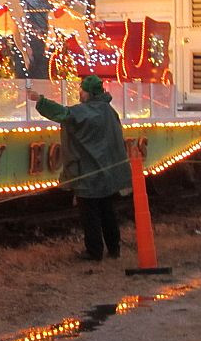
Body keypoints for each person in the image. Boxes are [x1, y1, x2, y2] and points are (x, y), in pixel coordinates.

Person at [27, 75, 131, 261]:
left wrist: (40, 100)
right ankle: (114, 249)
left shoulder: (86, 112)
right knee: (108, 212)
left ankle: (94, 251)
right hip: (107, 174)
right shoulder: (109, 111)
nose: (79, 93)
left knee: (90, 215)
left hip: (89, 174)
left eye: (82, 90)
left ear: (90, 93)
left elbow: (63, 113)